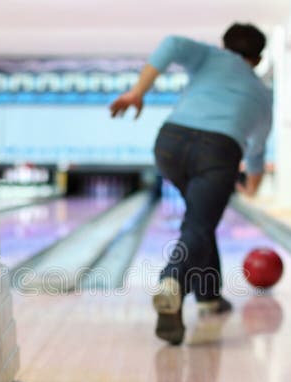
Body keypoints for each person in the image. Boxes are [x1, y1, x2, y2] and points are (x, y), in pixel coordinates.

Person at [110, 23, 272, 345]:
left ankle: (209, 297)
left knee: (200, 221)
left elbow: (171, 42)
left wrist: (138, 91)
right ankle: (173, 280)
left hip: (170, 143)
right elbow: (257, 150)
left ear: (225, 45)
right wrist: (252, 186)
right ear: (257, 59)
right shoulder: (263, 94)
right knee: (198, 225)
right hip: (219, 151)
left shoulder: (211, 56)